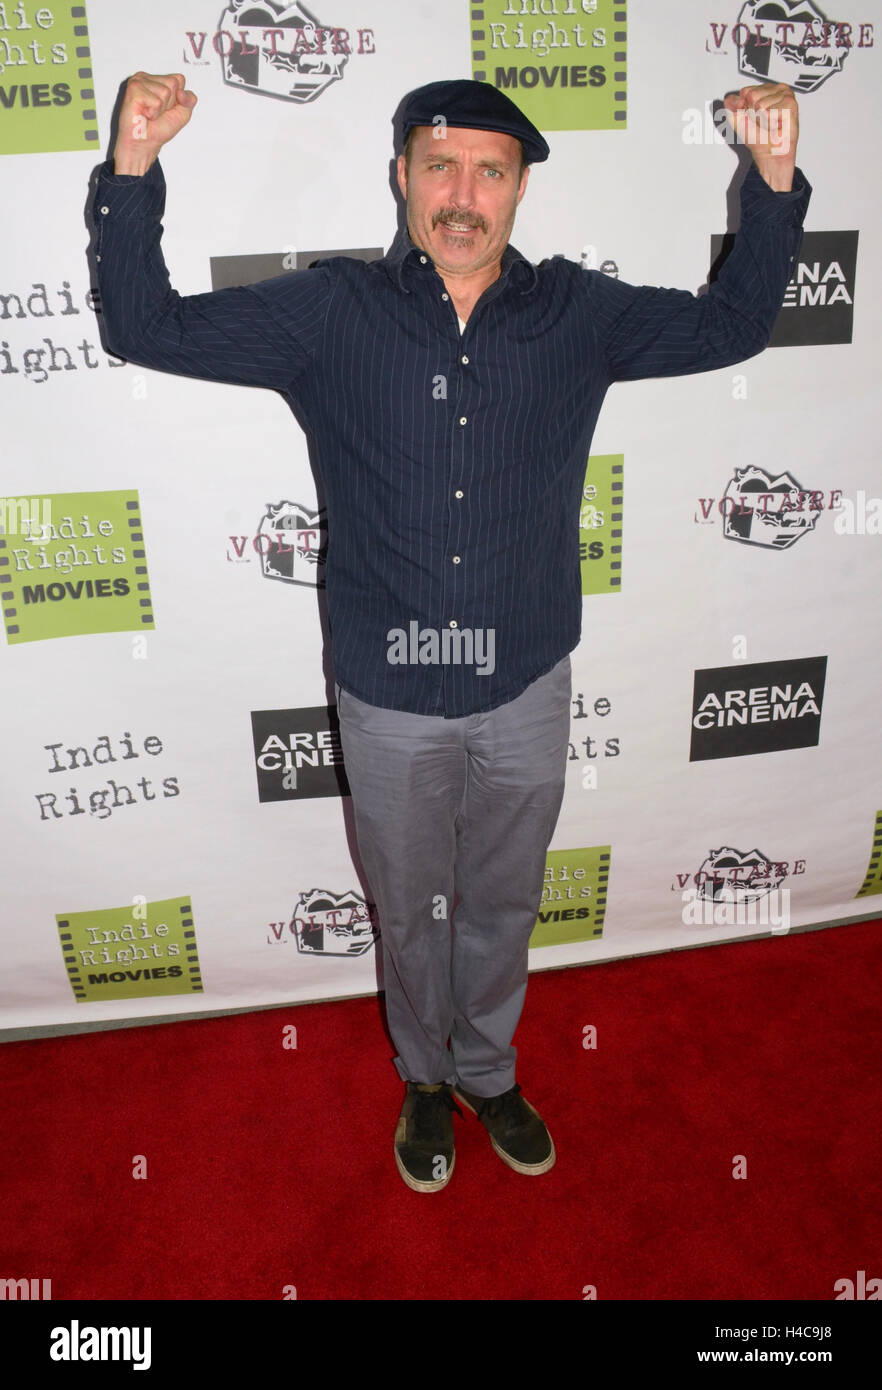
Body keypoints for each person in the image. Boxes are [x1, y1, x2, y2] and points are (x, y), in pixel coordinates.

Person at [91, 73, 809, 1193]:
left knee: (506, 902)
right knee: (413, 909)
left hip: (526, 678)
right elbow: (143, 325)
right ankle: (426, 1080)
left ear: (521, 188)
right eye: (440, 166)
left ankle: (488, 1070)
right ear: (402, 177)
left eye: (490, 169)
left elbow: (732, 325)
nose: (462, 193)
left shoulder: (580, 311)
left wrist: (769, 178)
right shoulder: (332, 311)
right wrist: (133, 161)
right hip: (386, 696)